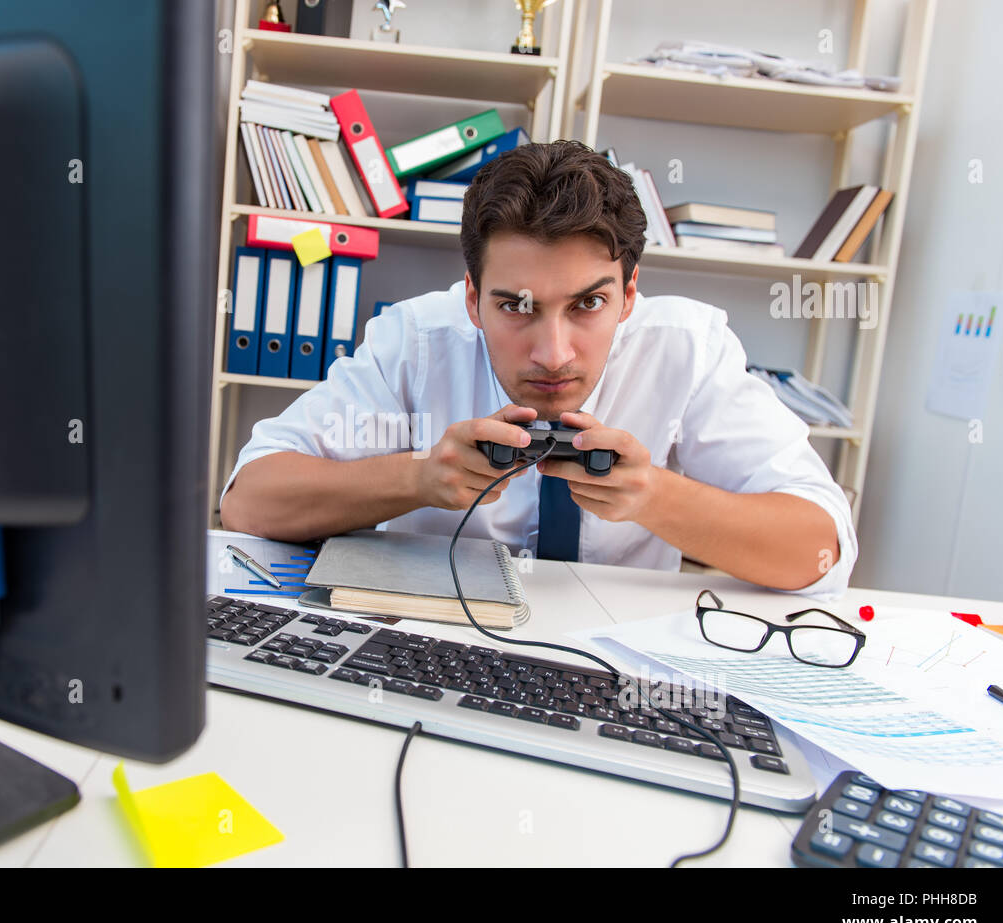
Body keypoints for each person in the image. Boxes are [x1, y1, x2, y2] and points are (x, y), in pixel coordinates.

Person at [219, 140, 856, 596]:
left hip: (615, 659)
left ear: (630, 294)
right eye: (515, 307)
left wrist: (654, 495)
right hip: (428, 646)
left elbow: (819, 549)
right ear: (472, 296)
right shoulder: (417, 339)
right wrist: (419, 479)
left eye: (589, 304)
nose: (553, 353)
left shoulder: (687, 349)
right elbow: (249, 502)